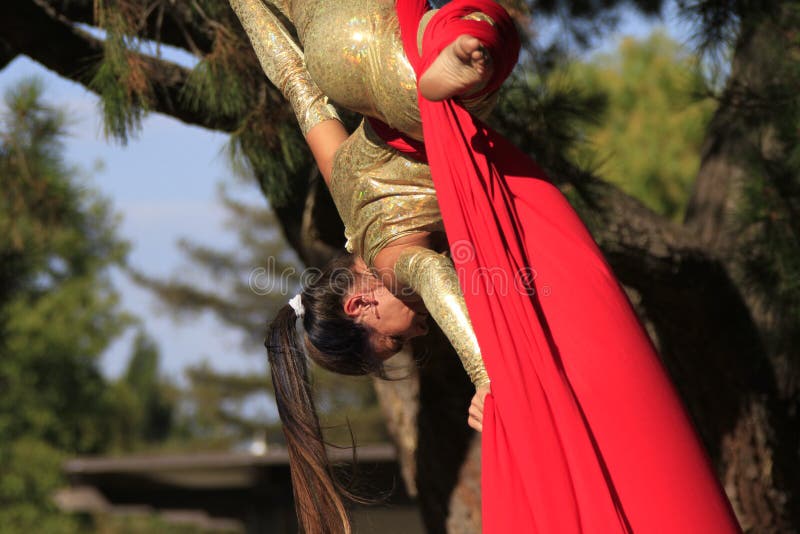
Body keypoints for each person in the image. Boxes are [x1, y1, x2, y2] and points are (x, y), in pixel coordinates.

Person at [230, 0, 744, 533]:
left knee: (483, 49)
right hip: (336, 48)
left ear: (359, 304)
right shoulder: (343, 189)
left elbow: (434, 278)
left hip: (403, 83)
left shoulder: (390, 261)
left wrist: (487, 377)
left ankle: (454, 55)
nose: (418, 329)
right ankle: (449, 47)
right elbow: (298, 87)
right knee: (454, 46)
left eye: (395, 341)